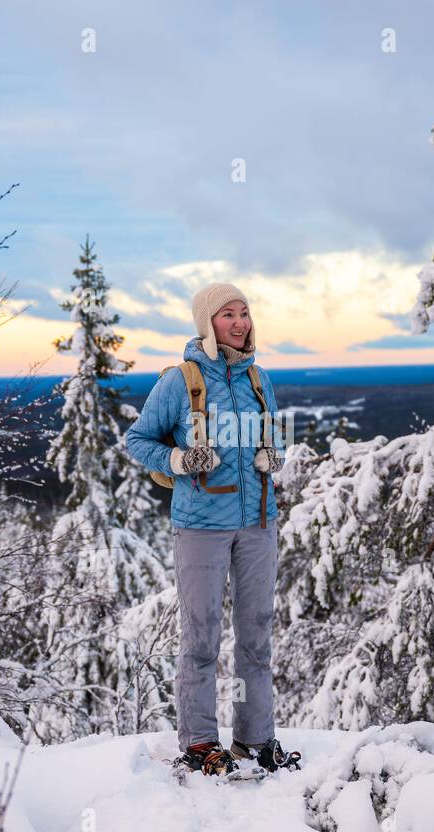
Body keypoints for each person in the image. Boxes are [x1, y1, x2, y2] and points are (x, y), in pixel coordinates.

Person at [124, 282, 301, 776]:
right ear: (207, 322)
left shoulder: (260, 379)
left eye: (245, 313)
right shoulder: (181, 381)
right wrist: (178, 458)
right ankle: (201, 743)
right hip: (201, 526)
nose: (240, 322)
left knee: (256, 637)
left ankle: (255, 739)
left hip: (260, 524)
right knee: (201, 638)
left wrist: (274, 456)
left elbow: (275, 440)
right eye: (228, 314)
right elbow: (137, 439)